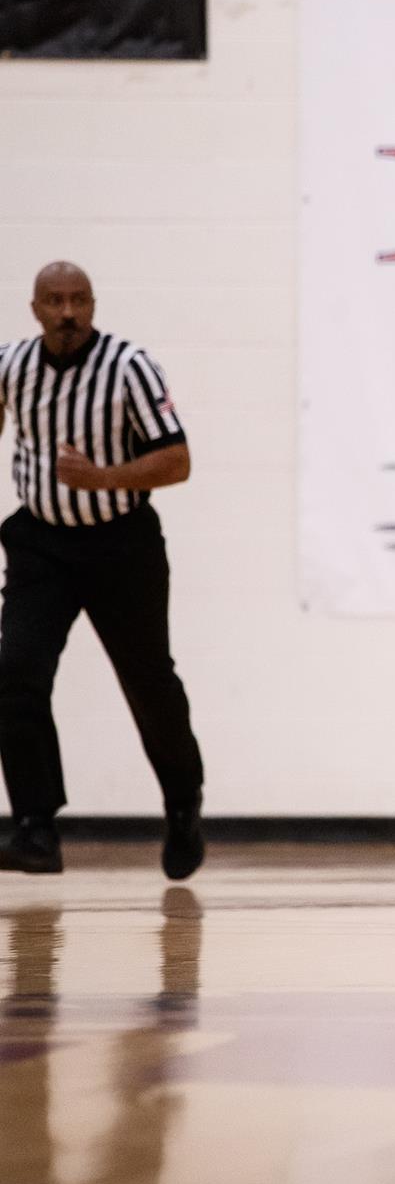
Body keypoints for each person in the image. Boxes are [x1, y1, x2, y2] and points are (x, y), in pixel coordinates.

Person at [0, 262, 204, 880]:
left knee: (148, 682)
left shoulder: (129, 367)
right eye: (55, 301)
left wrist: (103, 478)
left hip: (121, 543)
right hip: (41, 545)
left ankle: (182, 803)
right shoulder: (11, 365)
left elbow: (177, 460)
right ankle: (36, 827)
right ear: (35, 308)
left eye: (79, 300)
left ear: (93, 304)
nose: (68, 312)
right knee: (12, 673)